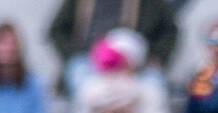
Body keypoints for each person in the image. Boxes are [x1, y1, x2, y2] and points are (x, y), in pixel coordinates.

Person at [46, 0, 177, 97]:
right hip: (90, 62)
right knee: (81, 77)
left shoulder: (149, 4)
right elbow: (57, 30)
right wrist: (74, 54)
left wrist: (155, 57)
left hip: (136, 65)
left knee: (153, 85)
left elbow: (169, 30)